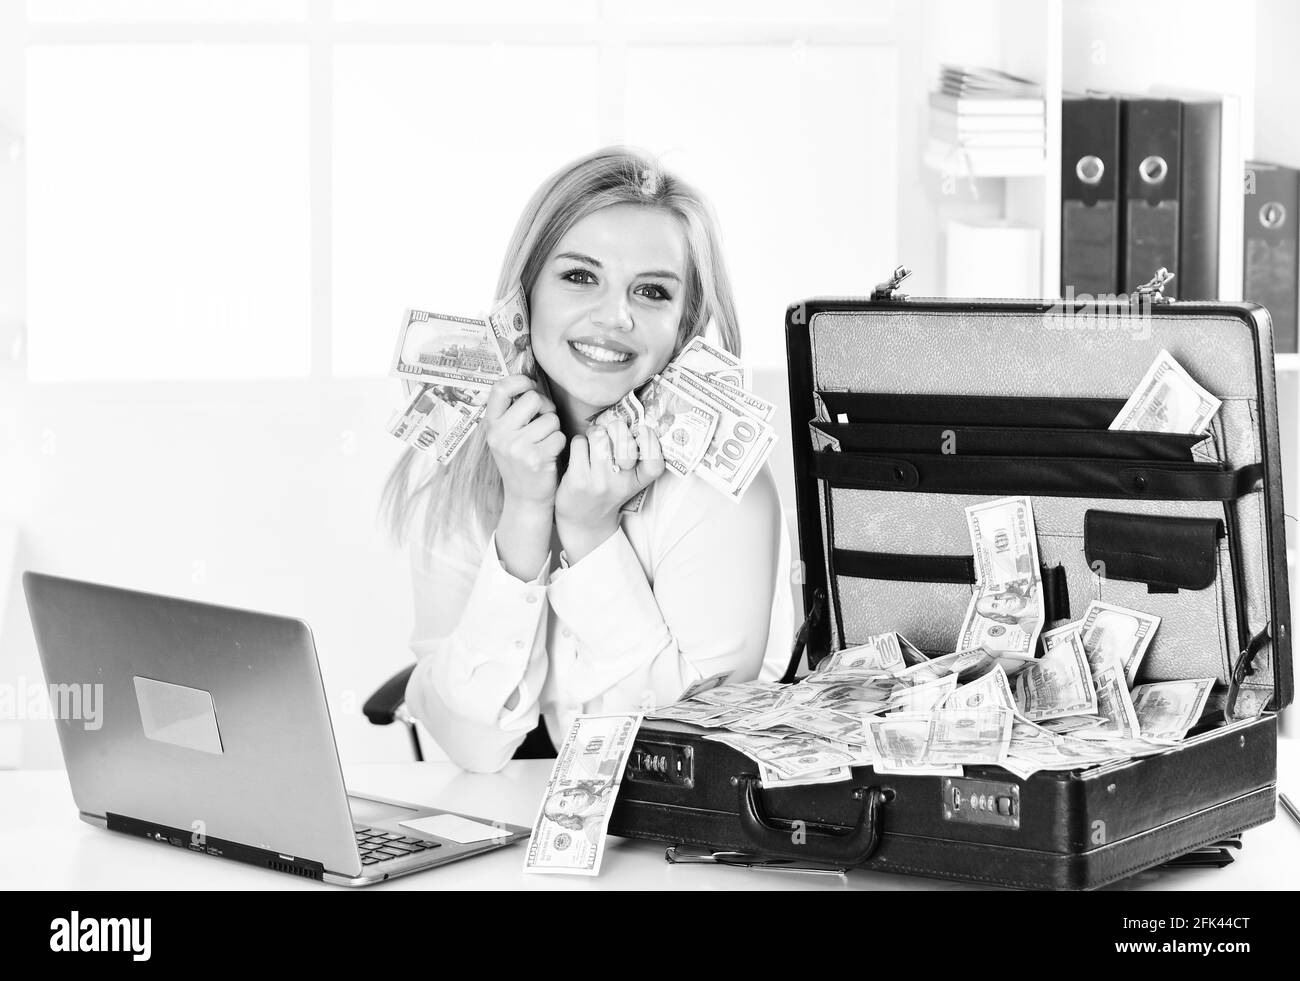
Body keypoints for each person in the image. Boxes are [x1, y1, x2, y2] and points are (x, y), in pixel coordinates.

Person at [382, 147, 794, 772]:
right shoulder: (458, 464)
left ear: (684, 325)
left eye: (652, 291)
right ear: (525, 297)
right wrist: (525, 511)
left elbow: (694, 751)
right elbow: (468, 744)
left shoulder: (716, 486)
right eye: (579, 276)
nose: (615, 316)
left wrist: (591, 536)